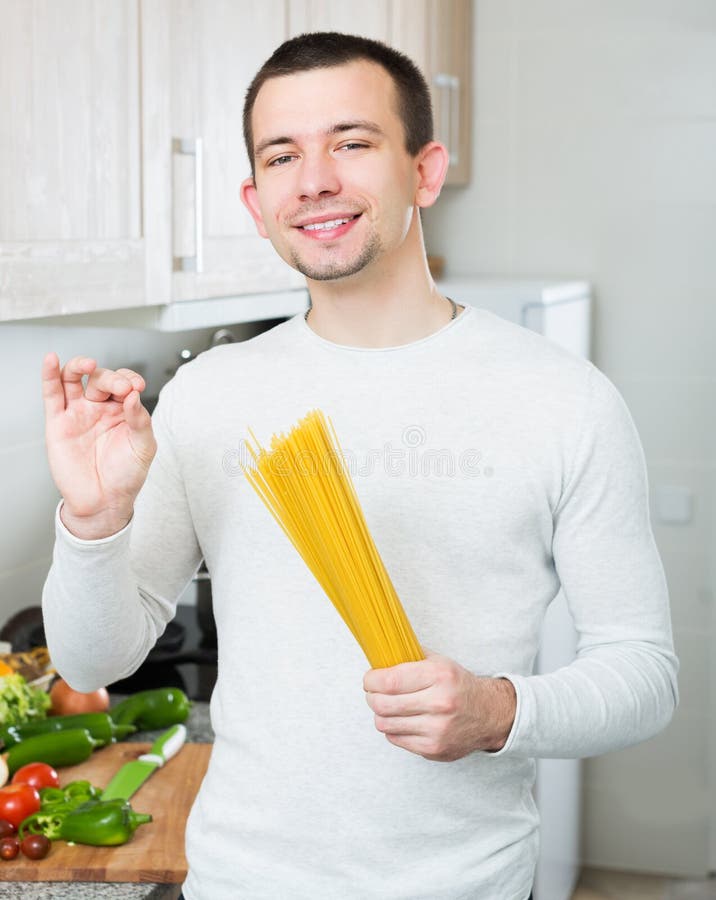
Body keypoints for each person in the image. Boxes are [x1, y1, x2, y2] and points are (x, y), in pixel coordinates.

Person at [41, 32, 678, 900]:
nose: (314, 181)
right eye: (282, 155)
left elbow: (644, 673)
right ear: (255, 198)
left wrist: (499, 712)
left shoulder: (564, 399)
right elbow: (92, 663)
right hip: (238, 883)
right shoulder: (209, 395)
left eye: (352, 142)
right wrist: (93, 521)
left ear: (424, 170)